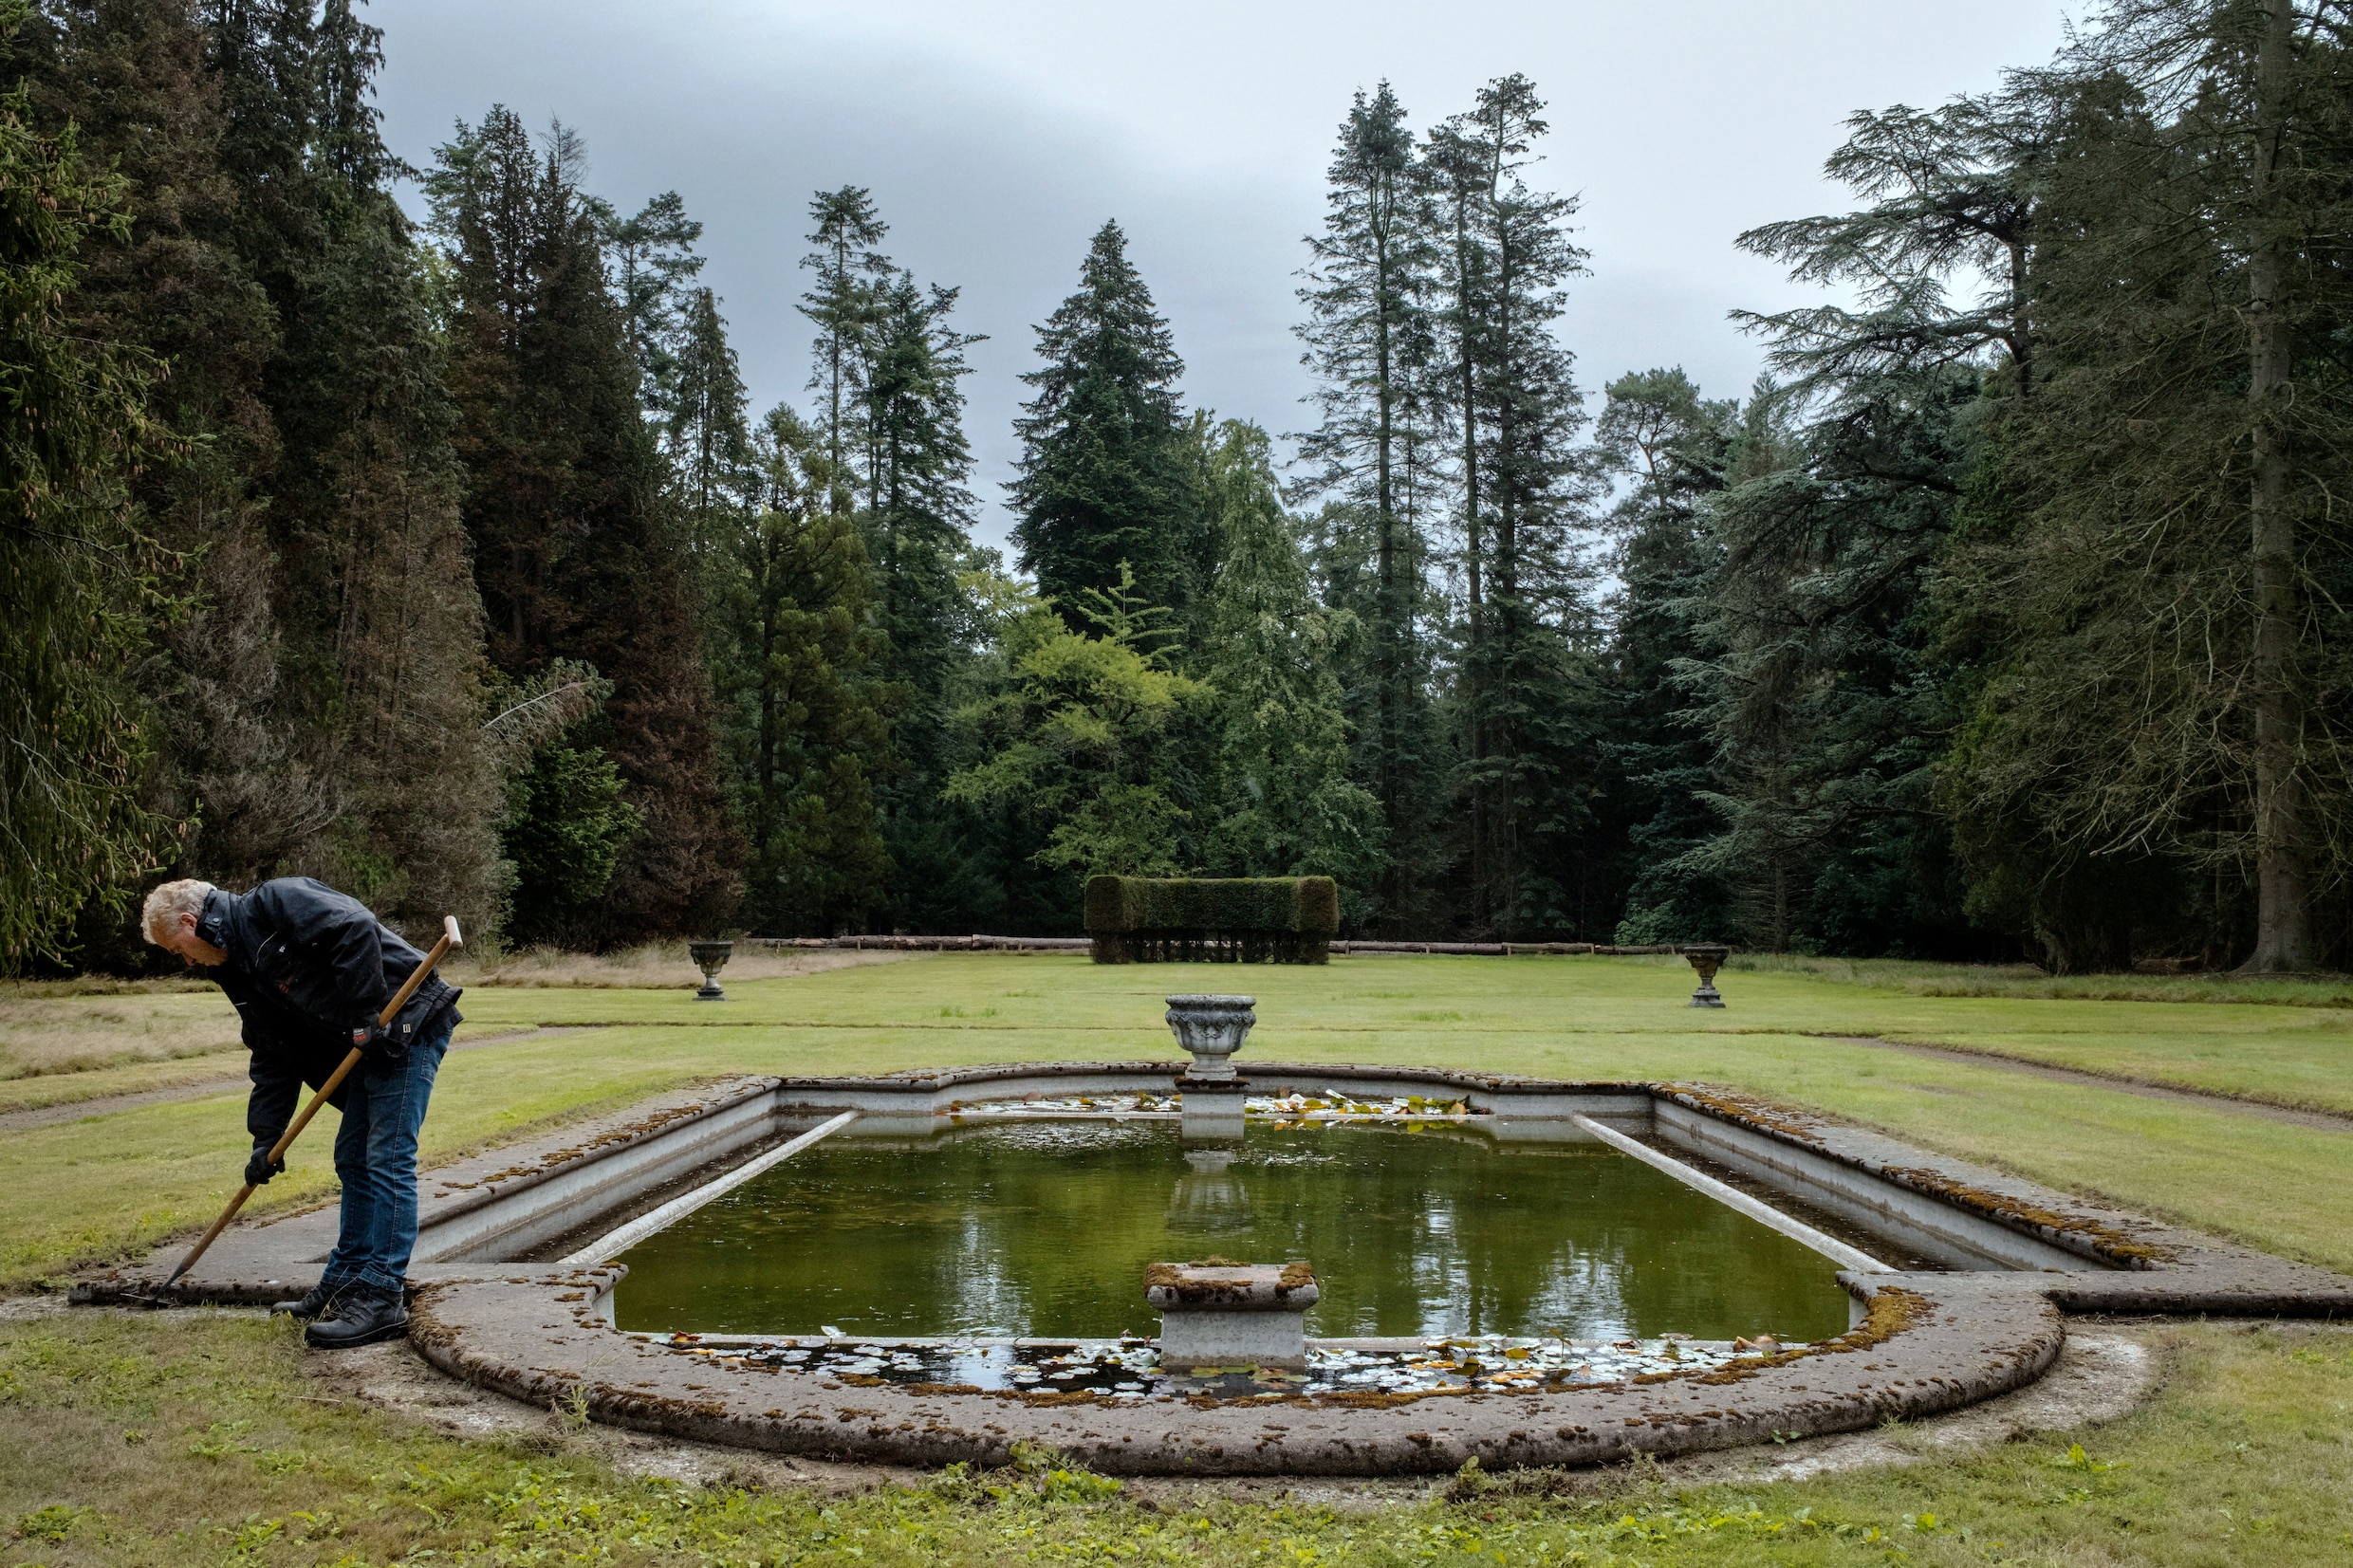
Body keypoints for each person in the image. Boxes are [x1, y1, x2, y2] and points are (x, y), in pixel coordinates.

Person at [142, 876, 460, 1349]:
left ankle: (382, 1299)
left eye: (178, 950)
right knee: (353, 1157)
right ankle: (346, 1281)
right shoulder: (234, 969)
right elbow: (272, 1050)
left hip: (406, 1021)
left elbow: (355, 928)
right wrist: (265, 1138)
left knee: (387, 1157)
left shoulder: (275, 901)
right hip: (369, 1041)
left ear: (190, 922)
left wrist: (365, 1014)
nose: (186, 961)